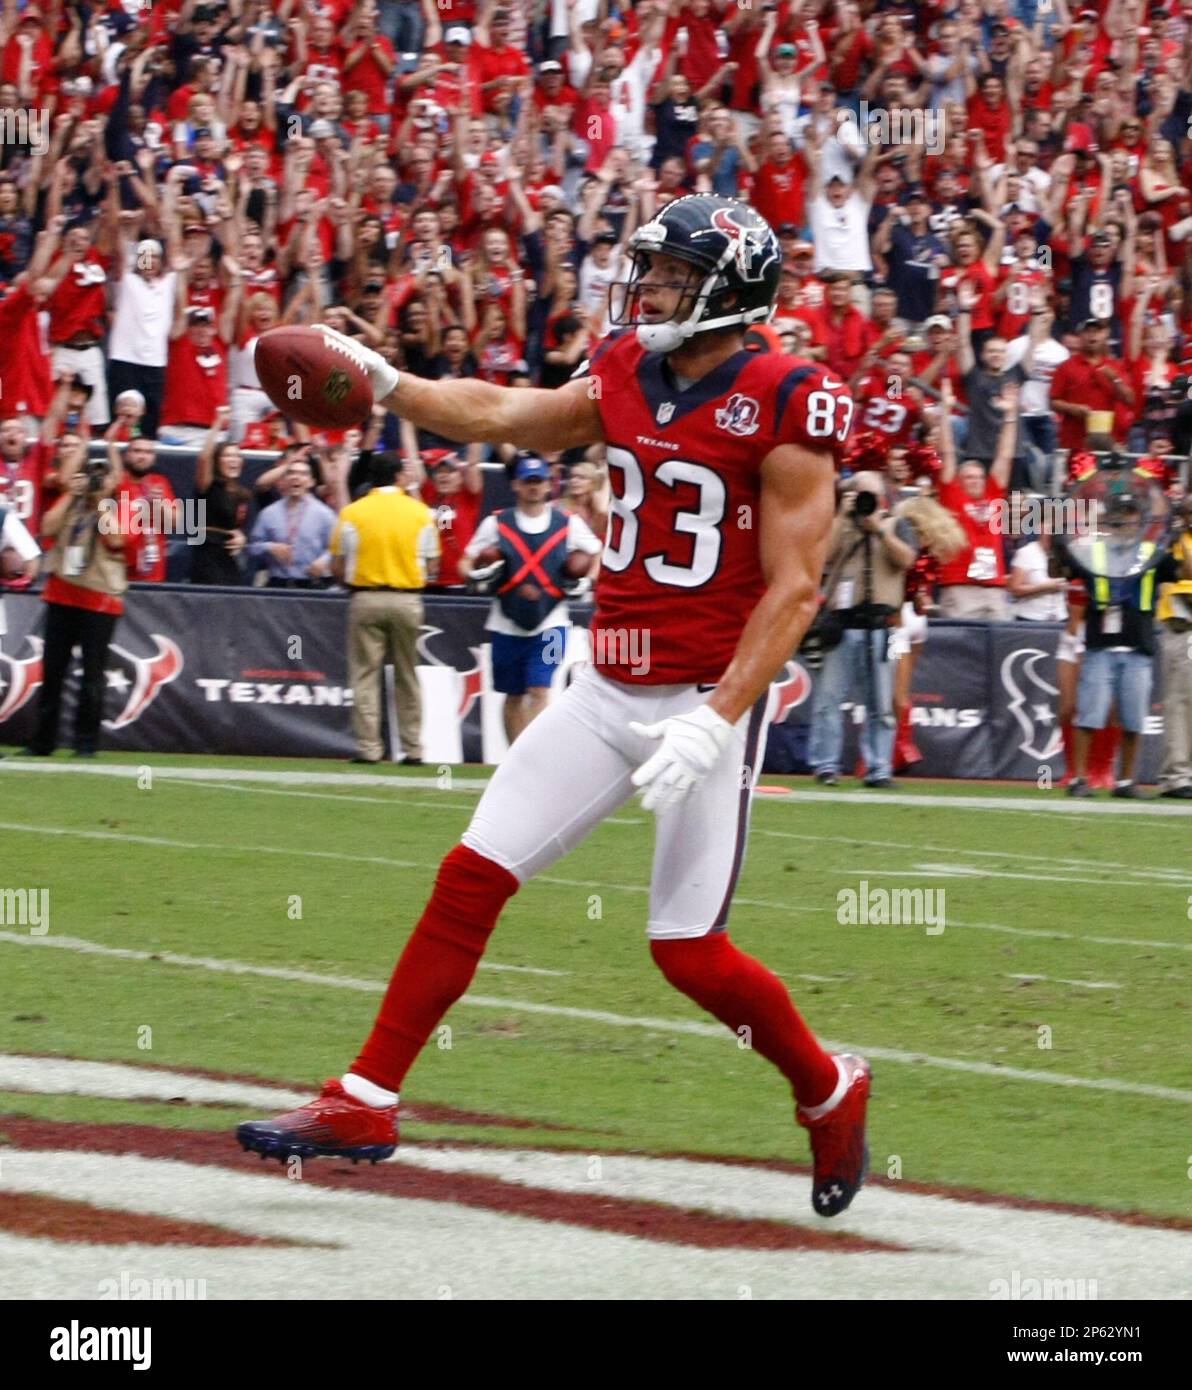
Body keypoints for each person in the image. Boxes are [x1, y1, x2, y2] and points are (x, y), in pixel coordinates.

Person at [237, 195, 872, 1221]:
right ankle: (364, 1096)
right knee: (471, 873)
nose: (648, 288)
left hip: (699, 697)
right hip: (602, 682)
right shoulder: (628, 368)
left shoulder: (786, 395)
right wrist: (392, 382)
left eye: (669, 273)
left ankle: (827, 1087)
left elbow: (794, 588)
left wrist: (715, 718)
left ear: (729, 289)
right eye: (651, 269)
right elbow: (499, 413)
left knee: (688, 952)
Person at [461, 453, 601, 746]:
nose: (534, 487)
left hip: (552, 622)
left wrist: (585, 579)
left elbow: (596, 550)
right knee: (512, 694)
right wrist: (476, 576)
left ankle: (533, 756)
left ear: (548, 484)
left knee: (540, 688)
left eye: (539, 481)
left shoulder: (568, 523)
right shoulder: (497, 523)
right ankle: (515, 754)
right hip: (505, 622)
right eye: (528, 482)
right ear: (516, 485)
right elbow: (467, 560)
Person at [23, 445, 137, 758]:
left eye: (103, 475)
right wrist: (73, 494)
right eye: (91, 474)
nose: (96, 480)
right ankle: (42, 741)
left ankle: (86, 743)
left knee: (92, 673)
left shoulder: (124, 506)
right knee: (53, 671)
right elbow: (46, 528)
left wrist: (101, 501)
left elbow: (116, 539)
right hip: (61, 593)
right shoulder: (71, 501)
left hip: (100, 598)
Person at [807, 471, 918, 788]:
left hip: (884, 626)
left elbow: (908, 559)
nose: (867, 500)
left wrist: (879, 532)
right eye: (860, 493)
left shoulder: (897, 524)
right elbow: (821, 558)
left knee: (882, 704)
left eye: (872, 494)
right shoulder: (841, 526)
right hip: (842, 624)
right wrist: (843, 514)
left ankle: (879, 767)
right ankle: (826, 765)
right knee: (829, 700)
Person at [330, 452, 440, 765]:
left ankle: (368, 748)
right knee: (408, 674)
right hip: (407, 599)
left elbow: (338, 565)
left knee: (365, 675)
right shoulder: (420, 513)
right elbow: (433, 563)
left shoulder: (352, 513)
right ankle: (413, 748)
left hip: (365, 597)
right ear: (398, 476)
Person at [1064, 489, 1165, 800]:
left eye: (1131, 517)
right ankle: (1079, 778)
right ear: (1109, 520)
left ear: (1139, 520)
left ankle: (1125, 780)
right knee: (1089, 715)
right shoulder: (1092, 550)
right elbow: (1062, 570)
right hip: (1101, 644)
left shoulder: (1153, 552)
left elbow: (1184, 572)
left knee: (1134, 718)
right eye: (1120, 517)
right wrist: (1060, 543)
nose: (1126, 523)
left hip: (1137, 645)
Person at [935, 378, 1019, 620]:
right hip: (959, 586)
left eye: (979, 477)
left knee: (1001, 653)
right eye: (968, 477)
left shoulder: (993, 494)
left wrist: (1011, 414)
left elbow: (1004, 455)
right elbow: (947, 451)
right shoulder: (952, 495)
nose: (975, 480)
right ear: (959, 480)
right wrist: (945, 410)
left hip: (994, 587)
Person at [248, 453, 337, 588]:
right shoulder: (269, 513)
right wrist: (270, 547)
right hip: (277, 584)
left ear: (311, 482)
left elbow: (338, 548)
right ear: (283, 480)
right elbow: (252, 547)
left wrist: (325, 561)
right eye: (291, 473)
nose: (296, 477)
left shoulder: (325, 514)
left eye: (303, 474)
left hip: (311, 584)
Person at [1155, 497, 1192, 799]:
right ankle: (1176, 775)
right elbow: (1184, 573)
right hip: (1182, 627)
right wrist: (1178, 532)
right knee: (1179, 703)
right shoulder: (1172, 541)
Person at [190, 410, 251, 586]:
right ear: (217, 461)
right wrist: (217, 423)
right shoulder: (208, 487)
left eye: (237, 456)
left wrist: (242, 538)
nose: (233, 460)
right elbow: (203, 458)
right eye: (227, 455)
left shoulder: (243, 494)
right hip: (207, 558)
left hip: (231, 560)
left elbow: (240, 528)